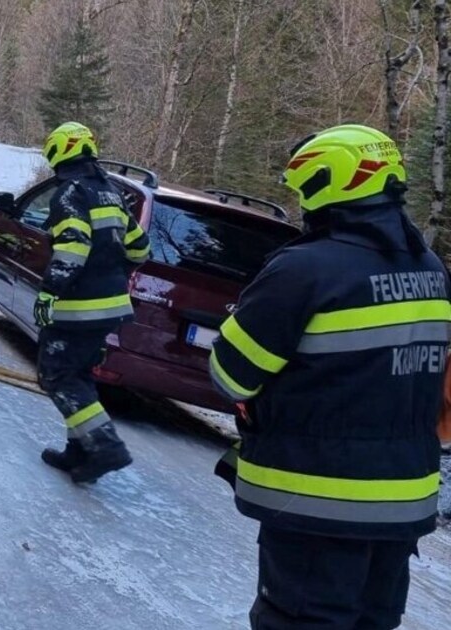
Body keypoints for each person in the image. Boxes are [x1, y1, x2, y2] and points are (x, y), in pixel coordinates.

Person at [209, 124, 449, 630]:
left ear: (327, 185)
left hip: (318, 498)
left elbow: (231, 376)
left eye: (303, 190)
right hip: (401, 504)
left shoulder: (304, 270)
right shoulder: (430, 268)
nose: (301, 205)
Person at [34, 122, 149, 483]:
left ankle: (105, 446)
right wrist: (111, 270)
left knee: (57, 375)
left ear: (58, 152)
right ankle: (79, 452)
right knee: (80, 374)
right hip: (110, 307)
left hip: (77, 307)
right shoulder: (110, 192)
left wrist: (50, 292)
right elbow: (140, 249)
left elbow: (71, 249)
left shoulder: (70, 193)